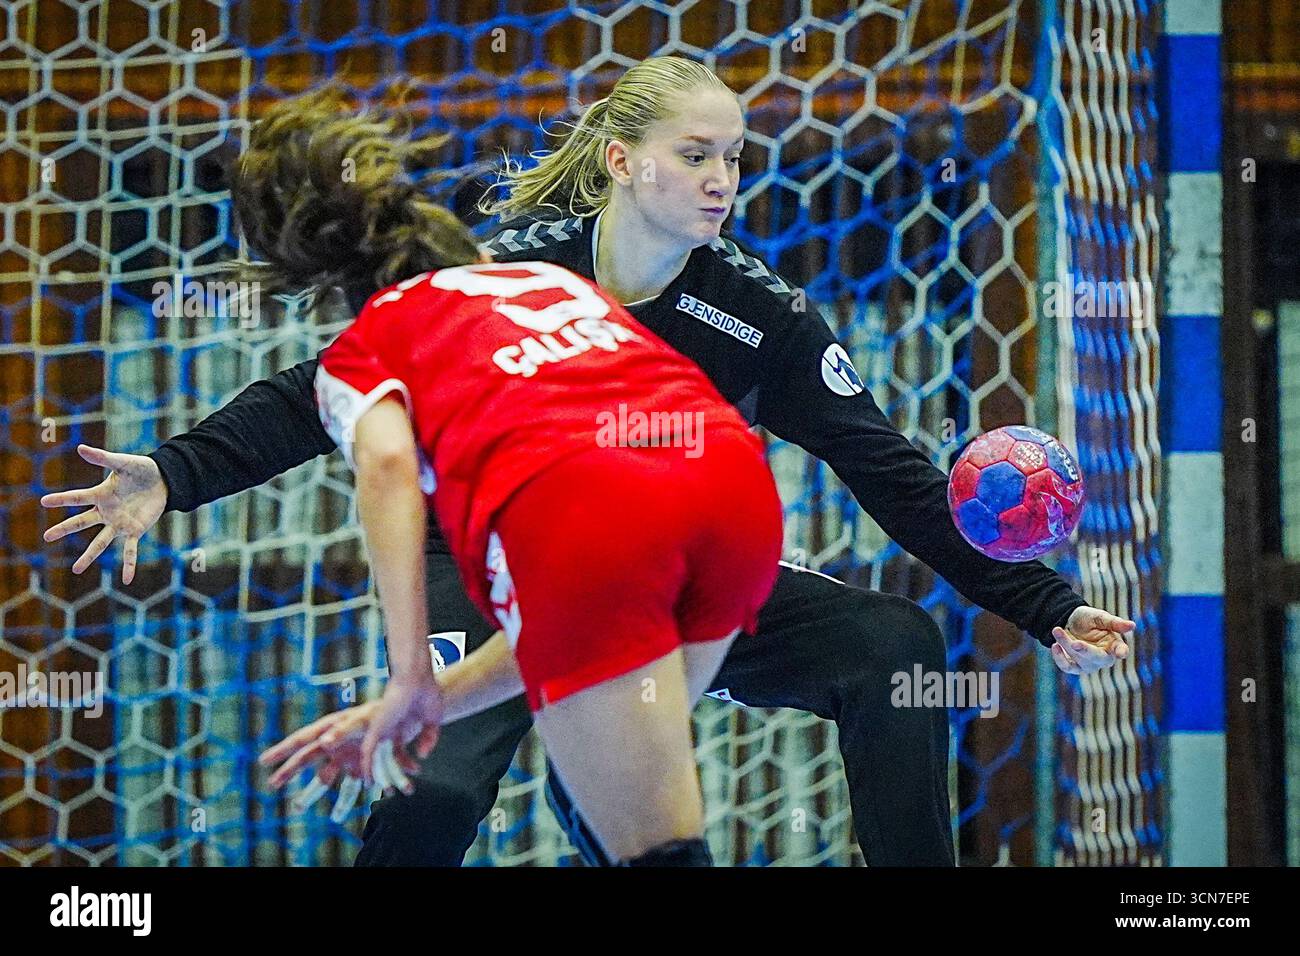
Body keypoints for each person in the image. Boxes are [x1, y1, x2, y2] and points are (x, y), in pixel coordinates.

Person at [42, 57, 1134, 866]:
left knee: (887, 649)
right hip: (544, 547)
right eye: (696, 153)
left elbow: (893, 473)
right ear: (620, 160)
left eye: (736, 156)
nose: (723, 179)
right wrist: (174, 474)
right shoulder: (510, 272)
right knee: (444, 786)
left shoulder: (754, 315)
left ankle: (611, 795)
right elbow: (314, 408)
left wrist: (1038, 600)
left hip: (652, 547)